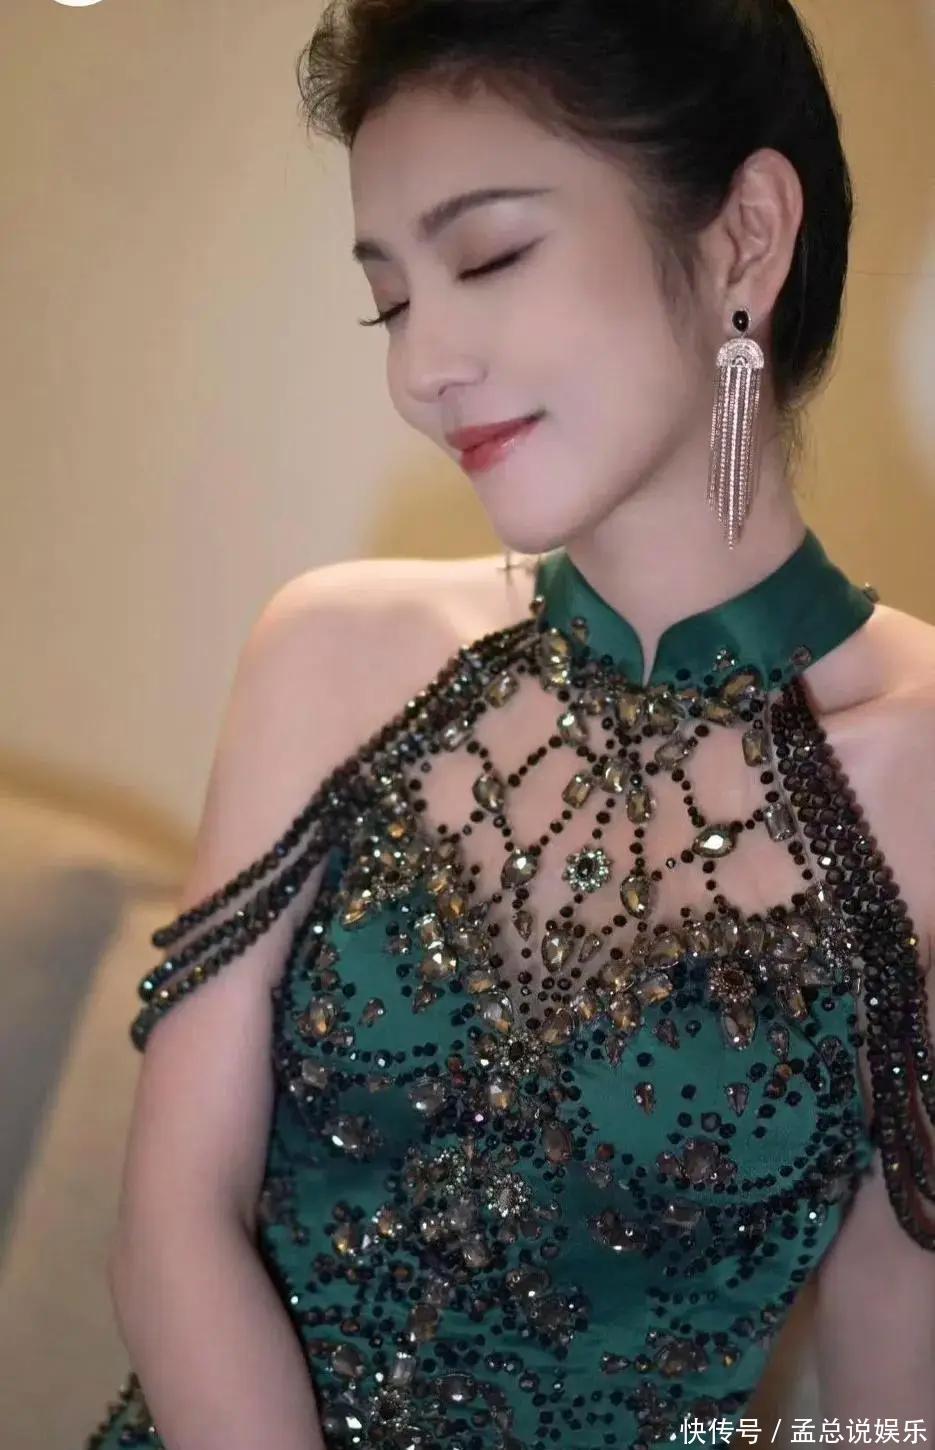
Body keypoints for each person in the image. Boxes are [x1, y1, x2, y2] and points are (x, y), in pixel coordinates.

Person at [81, 3, 935, 1448]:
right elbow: (170, 1225)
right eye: (391, 301)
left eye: (486, 256)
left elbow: (888, 1400)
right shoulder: (333, 654)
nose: (421, 369)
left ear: (745, 235)